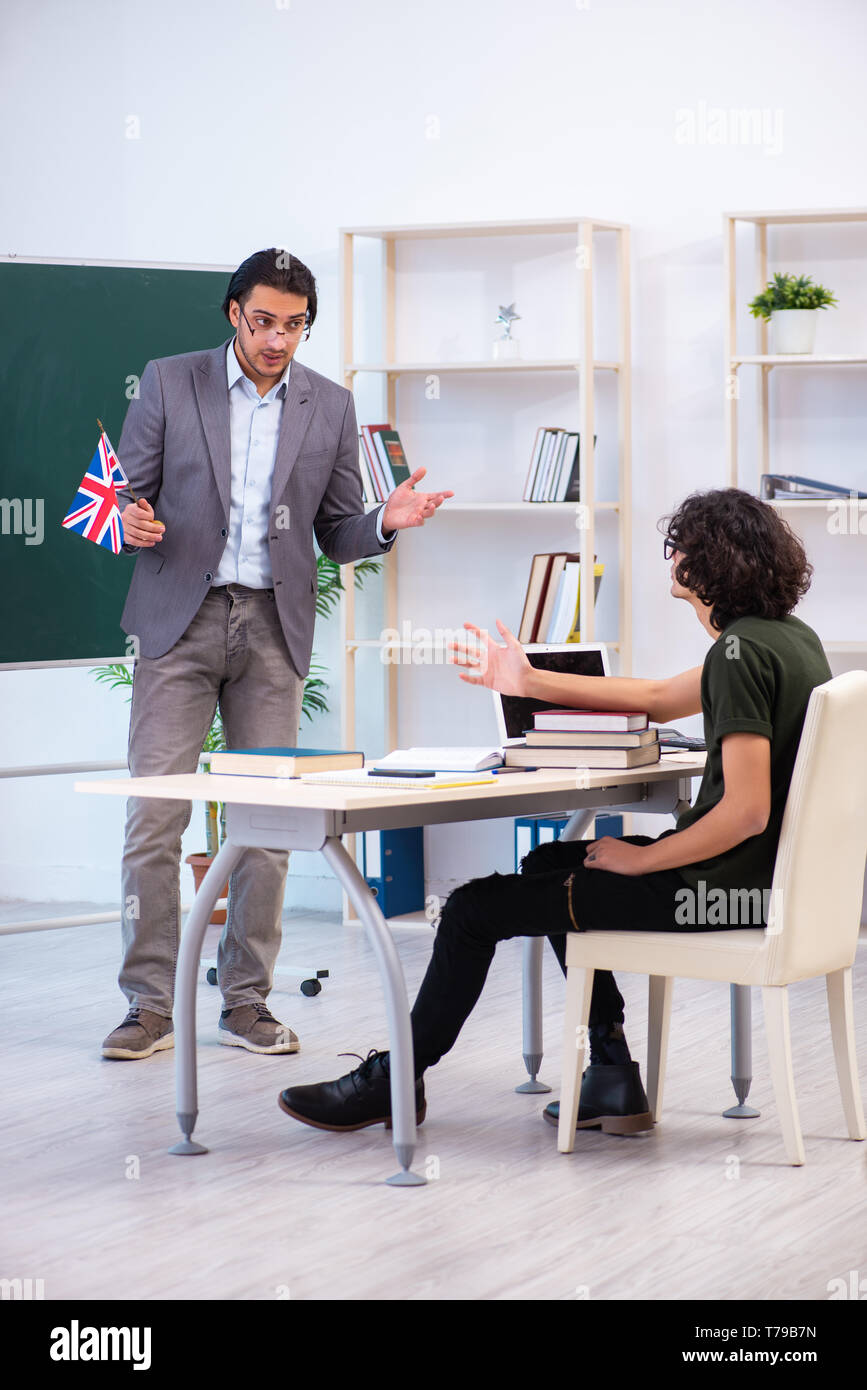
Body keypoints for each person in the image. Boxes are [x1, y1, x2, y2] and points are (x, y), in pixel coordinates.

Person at [277, 487, 831, 1135]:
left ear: (703, 564)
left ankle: (393, 1082)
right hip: (755, 887)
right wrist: (528, 681)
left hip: (711, 893)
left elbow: (746, 812)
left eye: (677, 548)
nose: (671, 558)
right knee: (548, 861)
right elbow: (656, 696)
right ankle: (612, 1076)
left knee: (470, 910)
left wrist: (644, 858)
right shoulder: (785, 640)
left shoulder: (739, 656)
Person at [102, 249, 453, 1061]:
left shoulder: (328, 403)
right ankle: (148, 1008)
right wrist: (130, 520)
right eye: (263, 321)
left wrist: (385, 521)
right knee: (155, 818)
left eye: (293, 325)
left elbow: (336, 532)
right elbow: (125, 497)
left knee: (265, 825)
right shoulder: (169, 382)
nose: (276, 339)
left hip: (272, 627)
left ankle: (246, 1002)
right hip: (178, 623)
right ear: (234, 314)